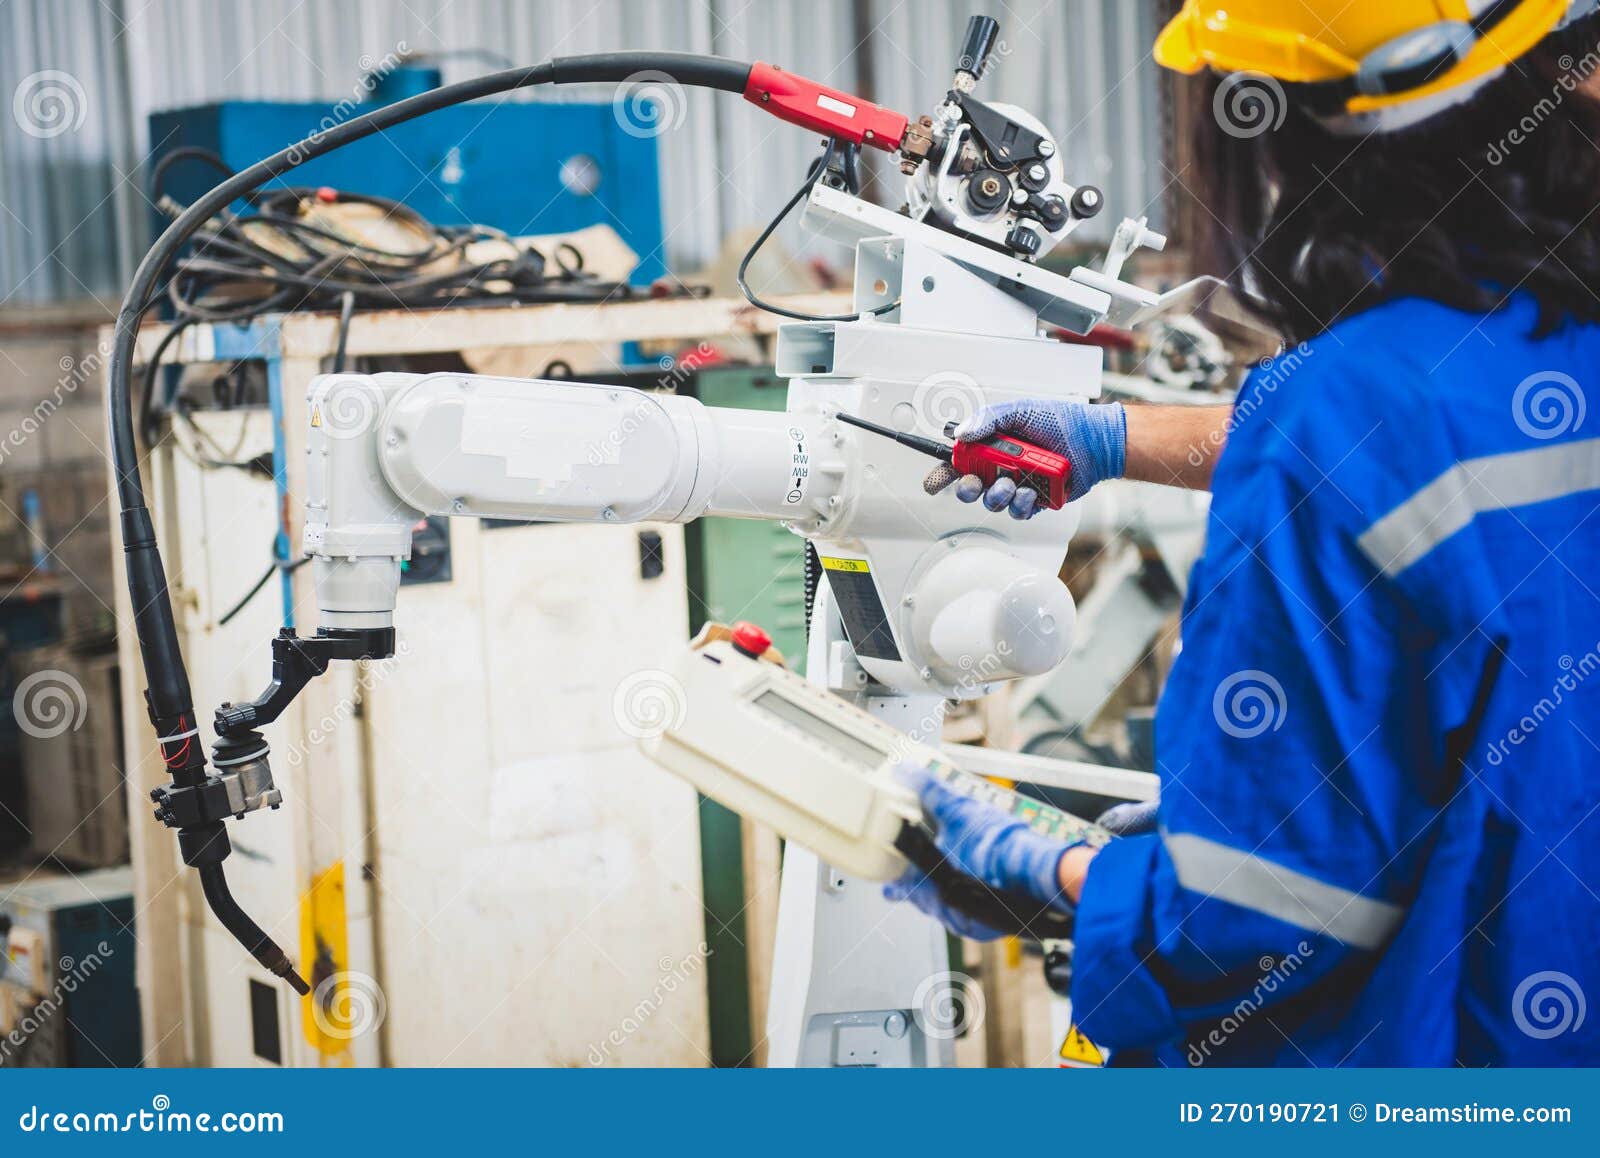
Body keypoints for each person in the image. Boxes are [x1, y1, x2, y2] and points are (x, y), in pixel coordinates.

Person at [887, 0, 1600, 1066]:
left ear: (1276, 121)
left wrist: (1050, 877)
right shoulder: (1537, 338)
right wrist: (1108, 438)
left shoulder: (1345, 417)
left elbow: (1247, 927)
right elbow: (1432, 436)